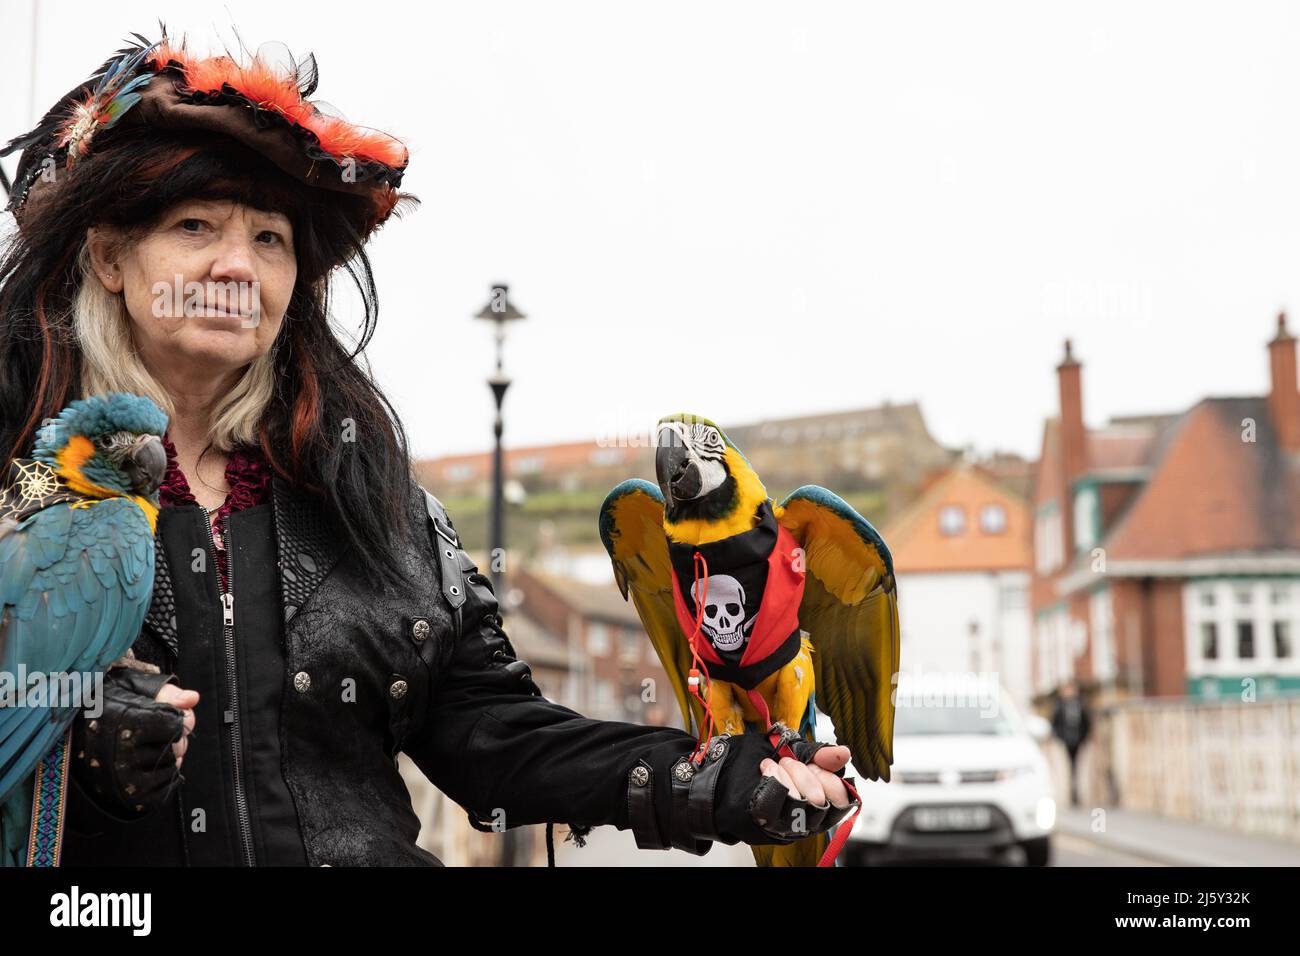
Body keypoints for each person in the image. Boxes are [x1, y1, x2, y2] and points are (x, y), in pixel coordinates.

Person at [0, 29, 858, 866]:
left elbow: (496, 736)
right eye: (194, 227)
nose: (239, 267)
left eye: (270, 239)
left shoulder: (361, 492)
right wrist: (79, 732)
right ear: (110, 257)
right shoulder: (18, 485)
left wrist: (707, 779)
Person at [1050, 679, 1092, 809]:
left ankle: (1076, 793)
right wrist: (1060, 737)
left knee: (1077, 767)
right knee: (1069, 767)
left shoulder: (1080, 705)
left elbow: (1086, 722)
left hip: (1078, 741)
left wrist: (1084, 737)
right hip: (1066, 741)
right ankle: (1071, 793)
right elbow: (1055, 723)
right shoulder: (1060, 706)